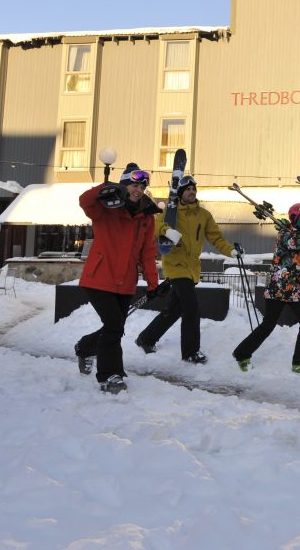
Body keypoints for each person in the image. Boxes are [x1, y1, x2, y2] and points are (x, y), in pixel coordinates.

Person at [74, 163, 161, 394]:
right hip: (99, 278)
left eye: (142, 186)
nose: (138, 190)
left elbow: (148, 253)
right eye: (133, 185)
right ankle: (109, 375)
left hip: (125, 282)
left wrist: (153, 283)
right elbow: (85, 201)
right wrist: (105, 186)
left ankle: (85, 347)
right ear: (123, 186)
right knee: (114, 325)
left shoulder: (146, 217)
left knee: (115, 328)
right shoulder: (106, 207)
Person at [134, 175, 235, 363]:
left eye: (193, 189)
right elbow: (154, 226)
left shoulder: (204, 215)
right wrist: (166, 229)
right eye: (187, 189)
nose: (191, 192)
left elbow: (216, 238)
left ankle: (146, 338)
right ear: (180, 193)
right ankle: (190, 352)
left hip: (192, 269)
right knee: (191, 308)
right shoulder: (172, 211)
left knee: (174, 310)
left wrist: (231, 251)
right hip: (175, 265)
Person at [232, 203, 300, 375]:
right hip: (279, 287)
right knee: (269, 324)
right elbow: (297, 243)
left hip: (296, 289)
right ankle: (242, 354)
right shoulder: (285, 234)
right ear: (295, 218)